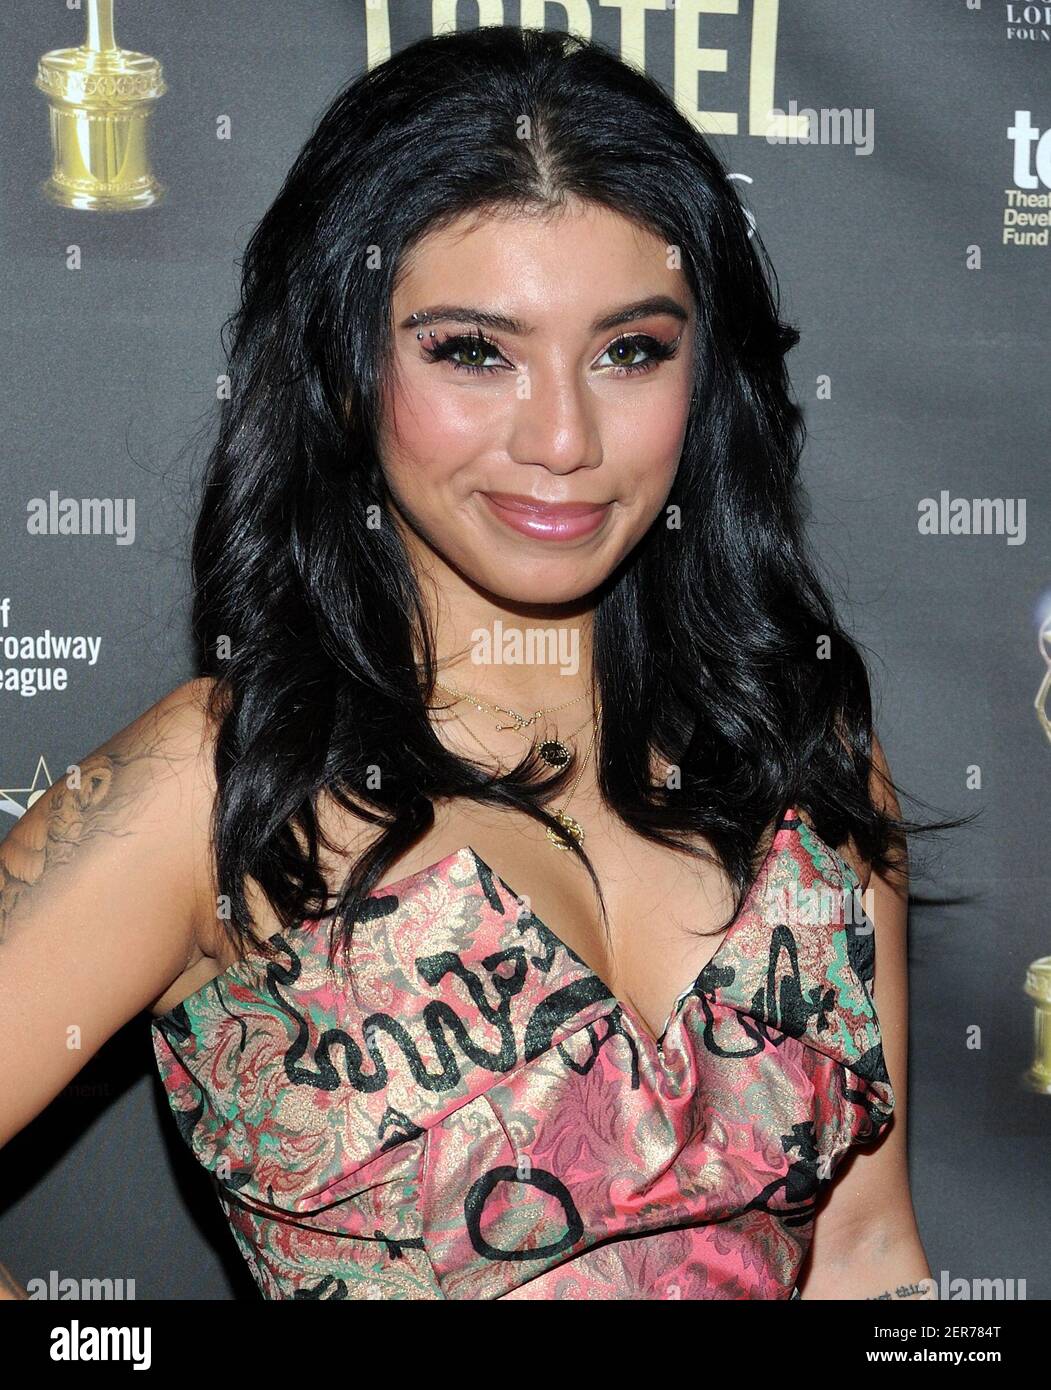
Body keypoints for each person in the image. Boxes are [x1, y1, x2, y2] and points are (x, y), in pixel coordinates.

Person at [0, 24, 955, 1301]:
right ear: (346, 365)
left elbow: (867, 1251)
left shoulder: (807, 745)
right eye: (472, 351)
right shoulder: (219, 787)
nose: (560, 435)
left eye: (630, 349)